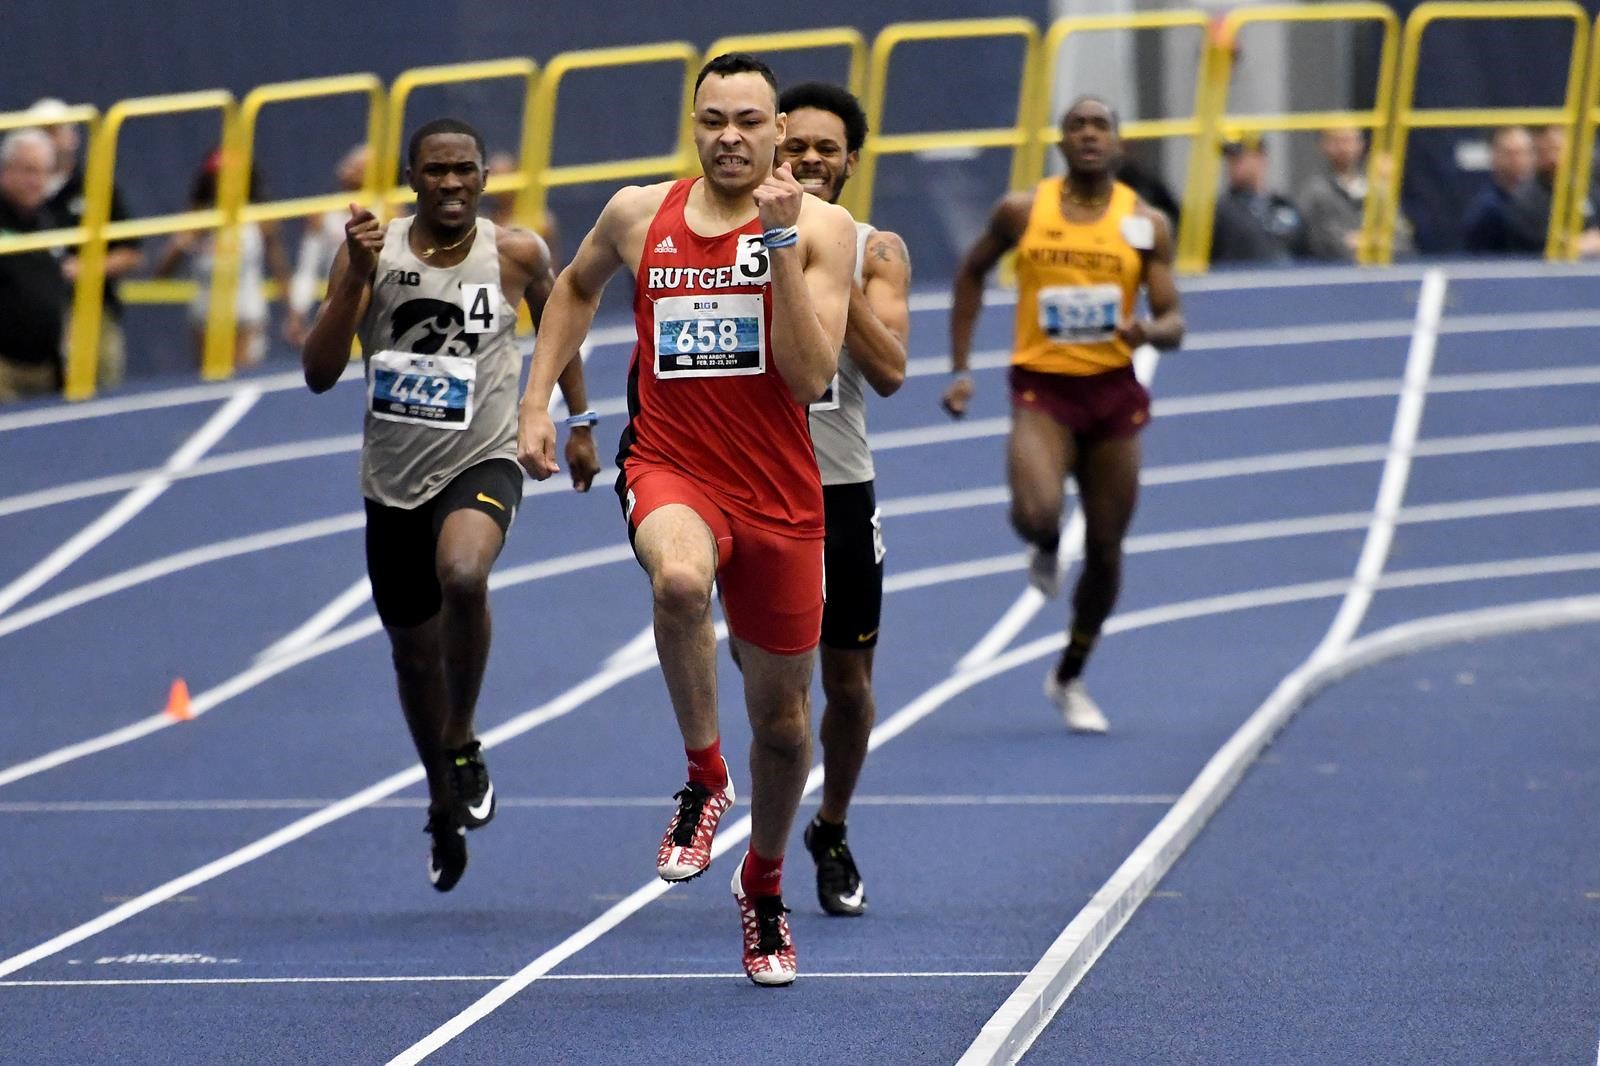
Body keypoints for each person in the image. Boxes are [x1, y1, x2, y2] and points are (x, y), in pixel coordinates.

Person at [517, 53, 856, 985]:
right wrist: (539, 402)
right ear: (693, 125)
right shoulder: (639, 214)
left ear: (778, 131)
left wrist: (778, 246)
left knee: (784, 724)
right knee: (677, 579)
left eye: (748, 121)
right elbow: (574, 287)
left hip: (780, 493)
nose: (730, 138)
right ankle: (705, 776)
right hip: (672, 465)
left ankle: (764, 882)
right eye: (713, 121)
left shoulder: (824, 229)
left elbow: (808, 378)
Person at [301, 117, 601, 892]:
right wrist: (355, 279)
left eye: (464, 168)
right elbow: (319, 372)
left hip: (483, 457)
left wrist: (578, 421)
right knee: (412, 655)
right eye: (436, 170)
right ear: (412, 179)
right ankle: (441, 796)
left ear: (484, 178)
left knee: (464, 574)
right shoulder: (372, 252)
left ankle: (462, 738)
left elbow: (560, 323)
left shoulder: (517, 253)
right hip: (392, 478)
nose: (452, 182)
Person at [940, 96, 1183, 733]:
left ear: (1119, 143)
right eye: (1077, 126)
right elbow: (971, 274)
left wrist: (1148, 331)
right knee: (1037, 512)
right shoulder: (1023, 212)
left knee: (1106, 549)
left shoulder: (1146, 223)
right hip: (1043, 392)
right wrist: (961, 368)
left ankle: (1069, 673)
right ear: (1061, 142)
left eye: (1101, 126)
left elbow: (1174, 320)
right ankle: (1046, 545)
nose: (1089, 135)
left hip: (1113, 395)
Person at [774, 80, 909, 918]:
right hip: (754, 490)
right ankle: (764, 852)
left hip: (839, 491)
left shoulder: (877, 249)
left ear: (851, 161)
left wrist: (827, 268)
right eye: (797, 146)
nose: (811, 160)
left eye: (828, 148)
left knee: (848, 687)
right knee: (778, 691)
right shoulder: (730, 237)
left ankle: (830, 826)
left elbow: (891, 371)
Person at [32, 98, 144, 390]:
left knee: (101, 388)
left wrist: (87, 268)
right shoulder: (17, 194)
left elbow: (132, 253)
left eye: (55, 131)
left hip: (91, 310)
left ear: (72, 137)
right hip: (31, 320)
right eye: (42, 132)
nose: (49, 141)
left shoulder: (95, 188)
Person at [154, 151, 294, 369]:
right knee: (210, 378)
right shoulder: (197, 218)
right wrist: (182, 242)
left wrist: (292, 313)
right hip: (205, 316)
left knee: (243, 376)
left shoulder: (259, 218)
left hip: (246, 314)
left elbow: (280, 268)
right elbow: (162, 272)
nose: (225, 184)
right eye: (218, 178)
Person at [0, 128, 70, 401]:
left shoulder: (49, 220)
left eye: (44, 172)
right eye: (29, 171)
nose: (37, 181)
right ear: (6, 171)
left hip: (47, 369)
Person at [286, 142, 370, 346]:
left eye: (357, 166)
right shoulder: (322, 214)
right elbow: (307, 268)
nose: (348, 169)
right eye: (349, 163)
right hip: (340, 302)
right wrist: (297, 312)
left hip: (376, 304)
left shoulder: (388, 209)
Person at [1297, 126, 1414, 262]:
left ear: (1361, 144)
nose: (1344, 148)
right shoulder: (1317, 191)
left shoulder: (1378, 189)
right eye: (1337, 141)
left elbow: (1402, 237)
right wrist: (1362, 243)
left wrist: (1372, 241)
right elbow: (1319, 240)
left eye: (1349, 140)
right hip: (1335, 269)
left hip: (1381, 267)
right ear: (1324, 145)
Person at [1209, 132, 1306, 264]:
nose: (1233, 166)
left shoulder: (1283, 205)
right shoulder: (1220, 211)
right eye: (1230, 160)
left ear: (1261, 157)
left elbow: (1305, 251)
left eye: (1239, 158)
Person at [1507, 124, 1600, 258]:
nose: (1553, 158)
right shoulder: (1526, 198)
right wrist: (1579, 244)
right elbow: (1546, 243)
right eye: (1548, 150)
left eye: (1558, 149)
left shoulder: (1586, 188)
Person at [1462, 125, 1536, 254]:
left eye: (1522, 153)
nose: (1517, 161)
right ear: (1495, 157)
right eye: (1509, 154)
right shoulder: (1487, 211)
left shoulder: (1547, 201)